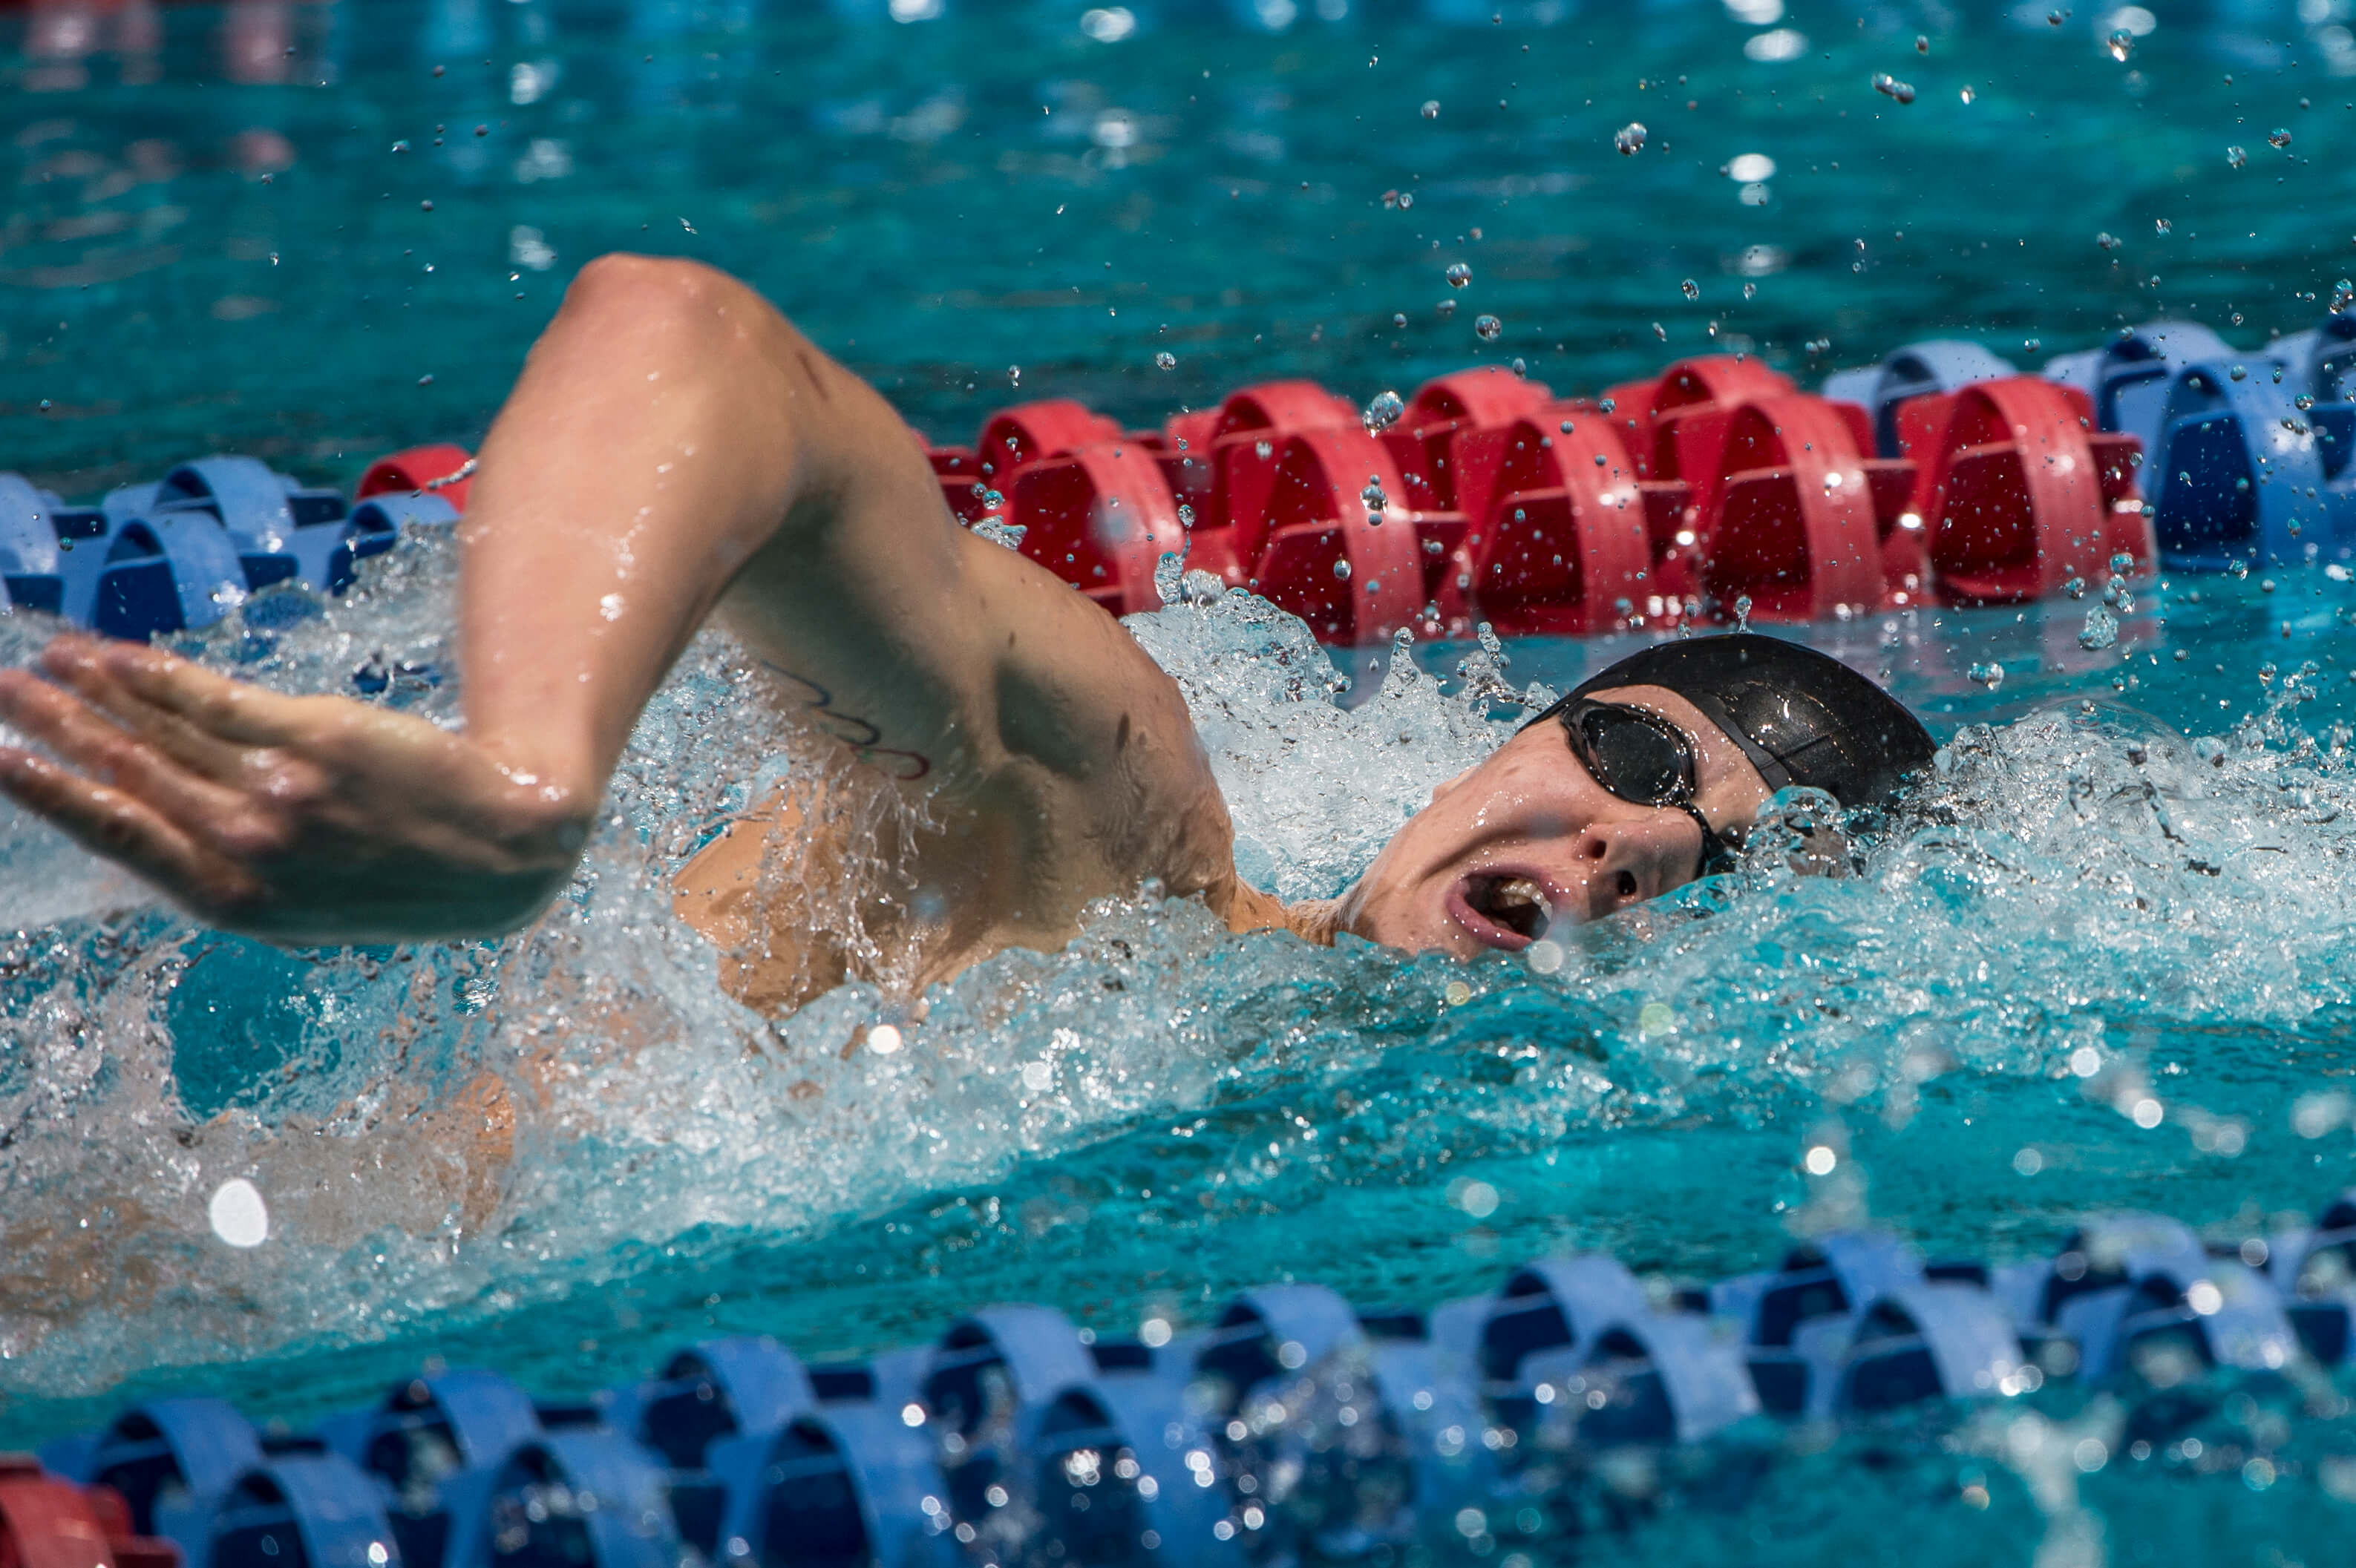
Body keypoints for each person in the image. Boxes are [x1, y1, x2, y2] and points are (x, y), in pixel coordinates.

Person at [0, 256, 1934, 1016]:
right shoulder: (1111, 828)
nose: (1631, 845)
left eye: (1719, 868)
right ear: (1502, 742)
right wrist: (527, 788)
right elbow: (695, 346)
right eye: (1640, 761)